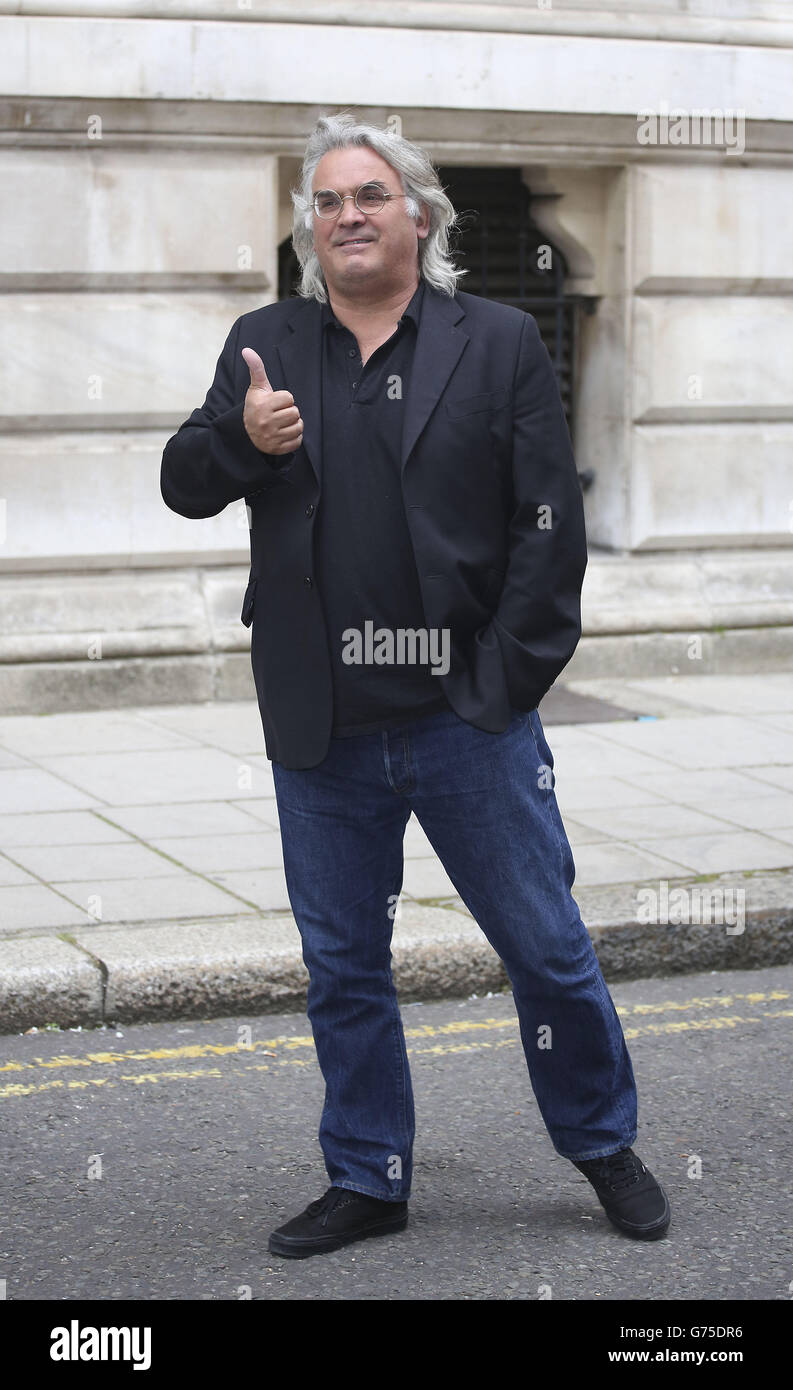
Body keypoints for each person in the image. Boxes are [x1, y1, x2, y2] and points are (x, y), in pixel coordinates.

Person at [160, 112, 671, 1258]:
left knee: (544, 947)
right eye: (327, 200)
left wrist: (499, 685)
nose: (346, 214)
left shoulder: (491, 342)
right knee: (342, 966)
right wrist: (244, 441)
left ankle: (601, 1144)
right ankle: (368, 1173)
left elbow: (551, 534)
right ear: (309, 227)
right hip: (321, 723)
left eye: (369, 196)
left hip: (462, 719)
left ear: (418, 215)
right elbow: (183, 483)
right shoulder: (266, 344)